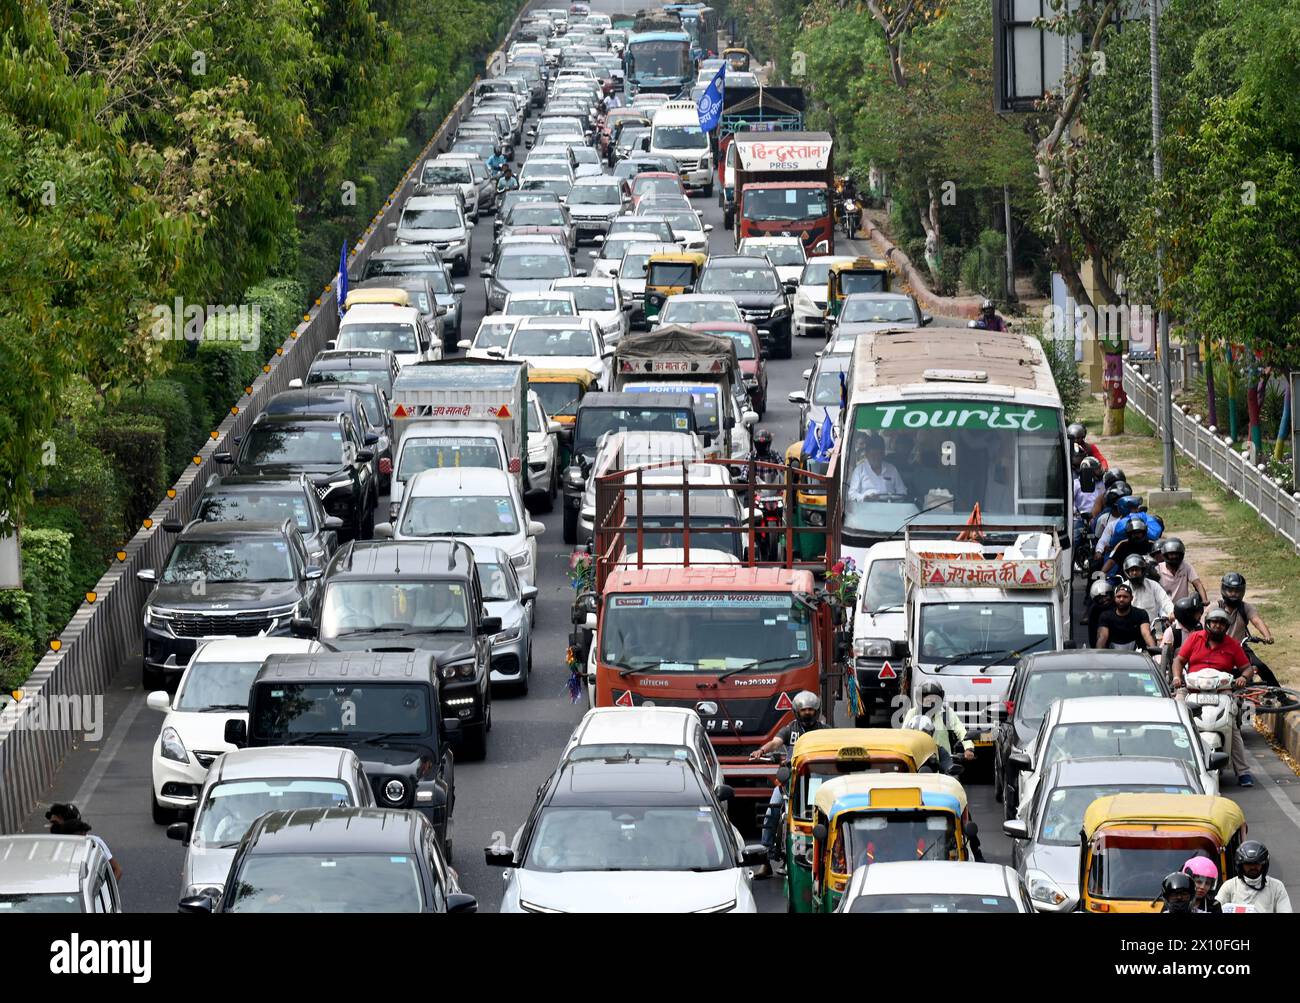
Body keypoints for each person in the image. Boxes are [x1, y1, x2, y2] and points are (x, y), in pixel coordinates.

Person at [1171, 607, 1254, 787]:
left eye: (1221, 623)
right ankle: (1174, 763)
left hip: (1222, 691)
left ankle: (1243, 772)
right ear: (1207, 624)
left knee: (1232, 727)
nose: (1217, 626)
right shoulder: (1195, 638)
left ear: (1226, 627)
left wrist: (1243, 678)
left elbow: (1247, 668)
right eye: (1214, 622)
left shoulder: (1232, 645)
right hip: (1193, 689)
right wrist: (1177, 677)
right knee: (1177, 722)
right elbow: (1179, 660)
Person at [751, 691, 826, 854]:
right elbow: (775, 743)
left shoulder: (824, 731)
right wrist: (762, 750)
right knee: (772, 811)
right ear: (796, 712)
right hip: (791, 780)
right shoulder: (789, 730)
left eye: (811, 709)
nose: (807, 713)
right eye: (804, 710)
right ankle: (766, 855)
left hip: (815, 780)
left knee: (820, 812)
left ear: (817, 711)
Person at [1214, 572, 1278, 686]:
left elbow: (1256, 620)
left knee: (1261, 667)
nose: (1234, 594)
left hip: (1240, 647)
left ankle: (1281, 696)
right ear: (1224, 590)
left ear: (1242, 592)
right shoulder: (1215, 607)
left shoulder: (1245, 607)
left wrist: (1267, 636)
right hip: (1218, 647)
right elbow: (1203, 625)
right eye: (1230, 590)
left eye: (1237, 591)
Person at [901, 683, 974, 775]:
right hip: (917, 762)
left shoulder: (947, 713)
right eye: (927, 697)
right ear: (920, 698)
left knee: (953, 783)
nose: (930, 700)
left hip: (944, 762)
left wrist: (969, 748)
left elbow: (960, 730)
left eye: (934, 697)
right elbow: (903, 735)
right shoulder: (912, 713)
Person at [45, 802, 122, 881]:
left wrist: (106, 892)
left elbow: (117, 870)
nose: (51, 827)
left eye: (55, 823)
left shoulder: (94, 843)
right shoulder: (45, 846)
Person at [1215, 841, 1293, 913]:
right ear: (1240, 865)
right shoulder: (1229, 886)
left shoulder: (1277, 886)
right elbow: (1215, 908)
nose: (1253, 867)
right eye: (1248, 864)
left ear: (1264, 865)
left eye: (1257, 863)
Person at [1095, 581, 1156, 651]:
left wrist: (1154, 651)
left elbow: (1146, 634)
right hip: (1111, 657)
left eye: (1125, 597)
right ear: (1114, 598)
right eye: (1119, 596)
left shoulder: (1141, 614)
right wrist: (1098, 655)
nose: (1121, 599)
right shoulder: (1106, 616)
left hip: (1137, 656)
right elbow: (1102, 637)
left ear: (1131, 598)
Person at [848, 433, 907, 500]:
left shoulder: (892, 469)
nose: (875, 458)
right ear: (866, 454)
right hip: (865, 507)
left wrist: (890, 498)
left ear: (883, 454)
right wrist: (864, 497)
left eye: (878, 454)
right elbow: (851, 494)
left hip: (889, 508)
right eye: (872, 455)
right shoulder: (859, 470)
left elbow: (902, 492)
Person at [1121, 553, 1173, 622]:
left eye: (1137, 570)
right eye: (1132, 570)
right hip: (1130, 627)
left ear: (1142, 570)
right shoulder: (1122, 588)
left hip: (1152, 627)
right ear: (1127, 572)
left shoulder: (1153, 585)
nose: (1134, 573)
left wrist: (1171, 612)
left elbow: (1165, 600)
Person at [1156, 537, 1207, 604]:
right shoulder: (1158, 568)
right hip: (1163, 607)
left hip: (1182, 607)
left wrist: (1205, 600)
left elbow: (1198, 584)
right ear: (1165, 555)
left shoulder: (1186, 566)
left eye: (1176, 554)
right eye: (1171, 554)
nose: (1174, 556)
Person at [1087, 578, 1114, 648]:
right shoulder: (1094, 610)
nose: (1104, 599)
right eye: (1100, 598)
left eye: (1106, 596)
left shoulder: (1117, 604)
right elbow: (1092, 632)